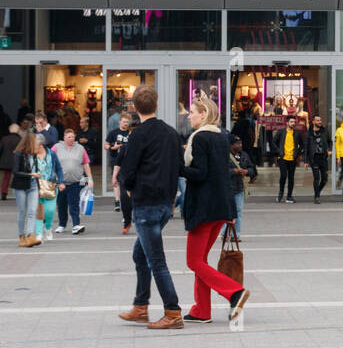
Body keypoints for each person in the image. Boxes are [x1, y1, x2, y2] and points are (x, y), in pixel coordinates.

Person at [117, 84, 187, 330]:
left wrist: (128, 186)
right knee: (140, 254)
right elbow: (179, 166)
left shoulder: (138, 135)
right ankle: (140, 305)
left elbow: (128, 170)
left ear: (135, 108)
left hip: (146, 204)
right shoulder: (170, 133)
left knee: (156, 260)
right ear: (156, 105)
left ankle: (173, 311)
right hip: (165, 203)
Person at [178, 94, 250, 326]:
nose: (189, 116)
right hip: (220, 206)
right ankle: (201, 310)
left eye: (192, 112)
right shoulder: (221, 137)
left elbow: (200, 173)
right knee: (201, 259)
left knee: (193, 261)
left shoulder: (199, 138)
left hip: (204, 207)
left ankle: (234, 292)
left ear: (204, 114)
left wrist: (177, 168)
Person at [52, 128, 90, 235]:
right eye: (69, 137)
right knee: (61, 204)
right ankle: (62, 224)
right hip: (61, 182)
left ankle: (76, 225)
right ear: (64, 138)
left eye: (73, 136)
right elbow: (49, 160)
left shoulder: (80, 148)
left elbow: (86, 163)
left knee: (74, 204)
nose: (71, 139)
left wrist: (89, 178)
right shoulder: (56, 147)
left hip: (76, 181)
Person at [11, 129, 41, 247]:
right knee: (22, 211)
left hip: (33, 185)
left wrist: (39, 188)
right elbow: (15, 172)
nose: (37, 143)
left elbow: (36, 171)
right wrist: (30, 175)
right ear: (30, 142)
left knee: (32, 211)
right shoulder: (18, 154)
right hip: (20, 186)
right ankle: (21, 236)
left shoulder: (33, 155)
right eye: (35, 141)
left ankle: (30, 236)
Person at [32, 135, 63, 243]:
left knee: (49, 211)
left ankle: (48, 228)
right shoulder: (31, 156)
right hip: (36, 186)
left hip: (50, 185)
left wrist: (61, 182)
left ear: (40, 145)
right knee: (39, 211)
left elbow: (58, 168)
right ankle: (39, 234)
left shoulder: (51, 154)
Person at [106, 113, 134, 232]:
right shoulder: (113, 133)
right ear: (120, 122)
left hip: (132, 168)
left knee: (132, 194)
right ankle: (118, 204)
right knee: (122, 191)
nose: (125, 124)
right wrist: (113, 147)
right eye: (123, 122)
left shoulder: (132, 136)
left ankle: (132, 216)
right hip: (117, 161)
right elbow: (106, 145)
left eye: (127, 122)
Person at [226, 135, 256, 238]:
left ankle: (236, 235)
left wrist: (247, 171)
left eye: (241, 143)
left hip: (239, 188)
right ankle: (224, 233)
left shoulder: (244, 155)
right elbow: (220, 170)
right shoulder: (225, 155)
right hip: (227, 188)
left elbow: (252, 169)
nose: (240, 145)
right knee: (225, 212)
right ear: (231, 145)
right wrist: (234, 171)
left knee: (238, 212)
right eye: (237, 144)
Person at [273, 114, 302, 203]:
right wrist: (279, 151)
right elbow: (273, 142)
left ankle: (289, 196)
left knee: (291, 177)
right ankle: (280, 194)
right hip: (283, 158)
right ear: (287, 123)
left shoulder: (297, 133)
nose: (293, 123)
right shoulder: (281, 132)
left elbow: (302, 145)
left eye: (294, 122)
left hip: (292, 158)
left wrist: (297, 153)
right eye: (291, 122)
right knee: (283, 176)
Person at [307, 114, 330, 203]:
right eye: (317, 120)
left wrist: (329, 150)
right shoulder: (309, 133)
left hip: (323, 158)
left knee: (325, 179)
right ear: (313, 122)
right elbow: (306, 147)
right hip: (314, 159)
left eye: (320, 120)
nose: (320, 122)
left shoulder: (324, 131)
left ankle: (317, 192)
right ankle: (317, 197)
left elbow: (329, 141)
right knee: (317, 178)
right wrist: (306, 160)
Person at [0, 122, 20, 201]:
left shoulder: (4, 138)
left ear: (10, 130)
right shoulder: (20, 139)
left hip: (6, 162)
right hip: (17, 161)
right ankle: (18, 194)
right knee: (17, 177)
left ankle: (4, 193)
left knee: (6, 177)